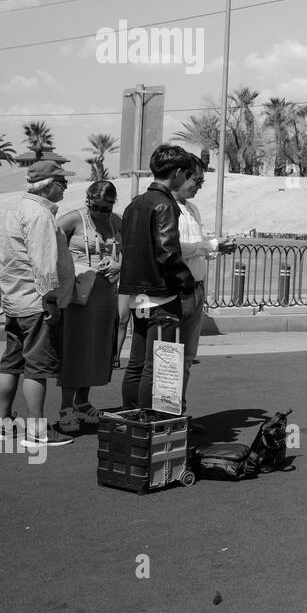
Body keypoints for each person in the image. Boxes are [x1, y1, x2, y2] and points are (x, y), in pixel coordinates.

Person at [0, 161, 77, 448]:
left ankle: (3, 423)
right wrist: (51, 299)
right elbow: (44, 263)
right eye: (62, 182)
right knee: (36, 368)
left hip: (15, 299)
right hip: (36, 302)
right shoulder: (40, 215)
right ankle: (37, 429)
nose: (66, 187)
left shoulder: (12, 211)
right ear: (49, 184)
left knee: (11, 363)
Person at [119, 144, 197, 412]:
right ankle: (148, 423)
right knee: (158, 365)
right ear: (177, 173)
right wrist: (186, 284)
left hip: (137, 296)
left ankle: (130, 418)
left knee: (136, 363)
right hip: (162, 297)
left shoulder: (134, 204)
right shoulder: (165, 205)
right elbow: (167, 253)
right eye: (186, 174)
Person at [54, 179, 122, 436]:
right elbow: (50, 246)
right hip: (79, 294)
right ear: (88, 200)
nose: (102, 213)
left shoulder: (117, 222)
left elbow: (127, 250)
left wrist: (119, 264)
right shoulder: (73, 219)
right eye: (97, 207)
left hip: (105, 293)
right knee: (75, 348)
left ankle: (82, 402)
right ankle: (65, 407)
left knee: (96, 347)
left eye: (107, 207)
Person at [174, 153, 234, 426]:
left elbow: (194, 248)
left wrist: (215, 246)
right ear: (180, 175)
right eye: (197, 180)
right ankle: (164, 416)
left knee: (186, 358)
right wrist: (208, 246)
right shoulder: (166, 208)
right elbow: (175, 249)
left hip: (196, 290)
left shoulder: (192, 209)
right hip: (176, 292)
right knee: (169, 359)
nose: (200, 186)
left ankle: (178, 412)